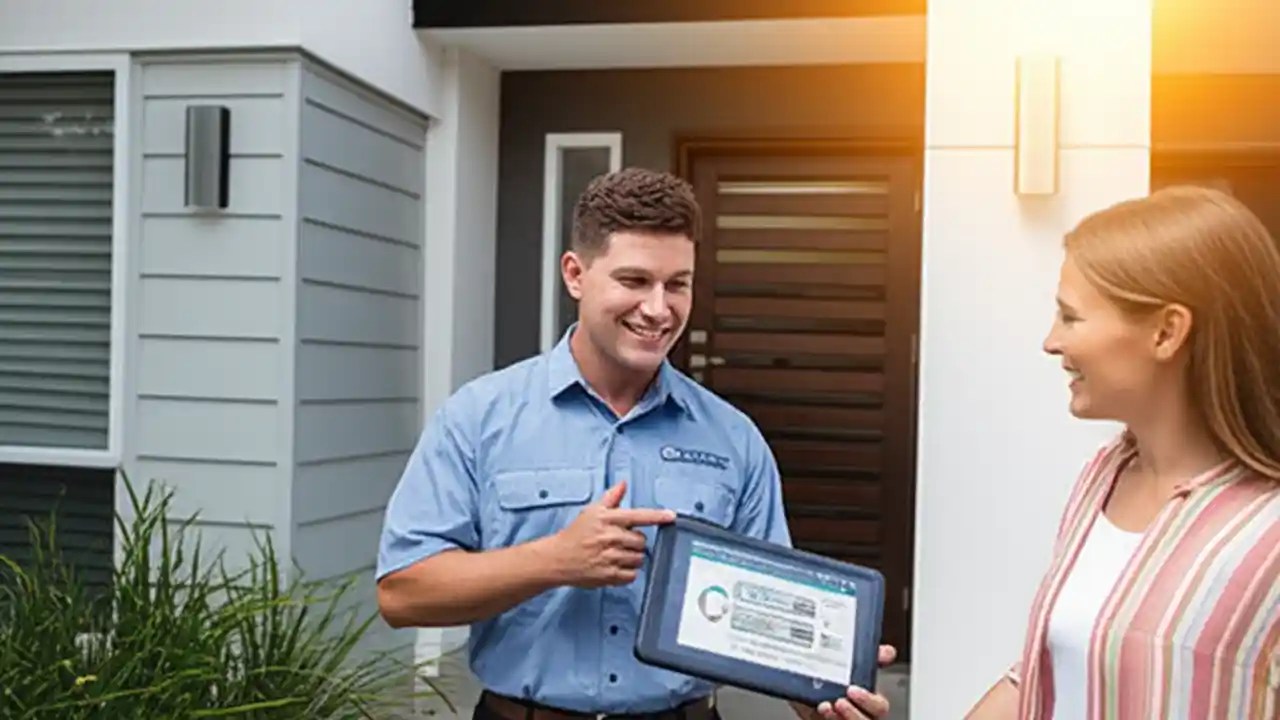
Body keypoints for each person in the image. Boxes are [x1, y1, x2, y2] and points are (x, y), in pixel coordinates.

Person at [375, 167, 896, 720]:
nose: (658, 308)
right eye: (634, 280)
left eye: (677, 284)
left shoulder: (734, 439)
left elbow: (767, 617)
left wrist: (826, 692)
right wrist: (555, 560)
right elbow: (403, 594)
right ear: (575, 274)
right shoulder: (478, 418)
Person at [966, 185, 1280, 719]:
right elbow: (1045, 674)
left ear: (1166, 331)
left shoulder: (1267, 531)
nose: (1051, 342)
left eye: (1070, 317)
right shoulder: (1102, 477)